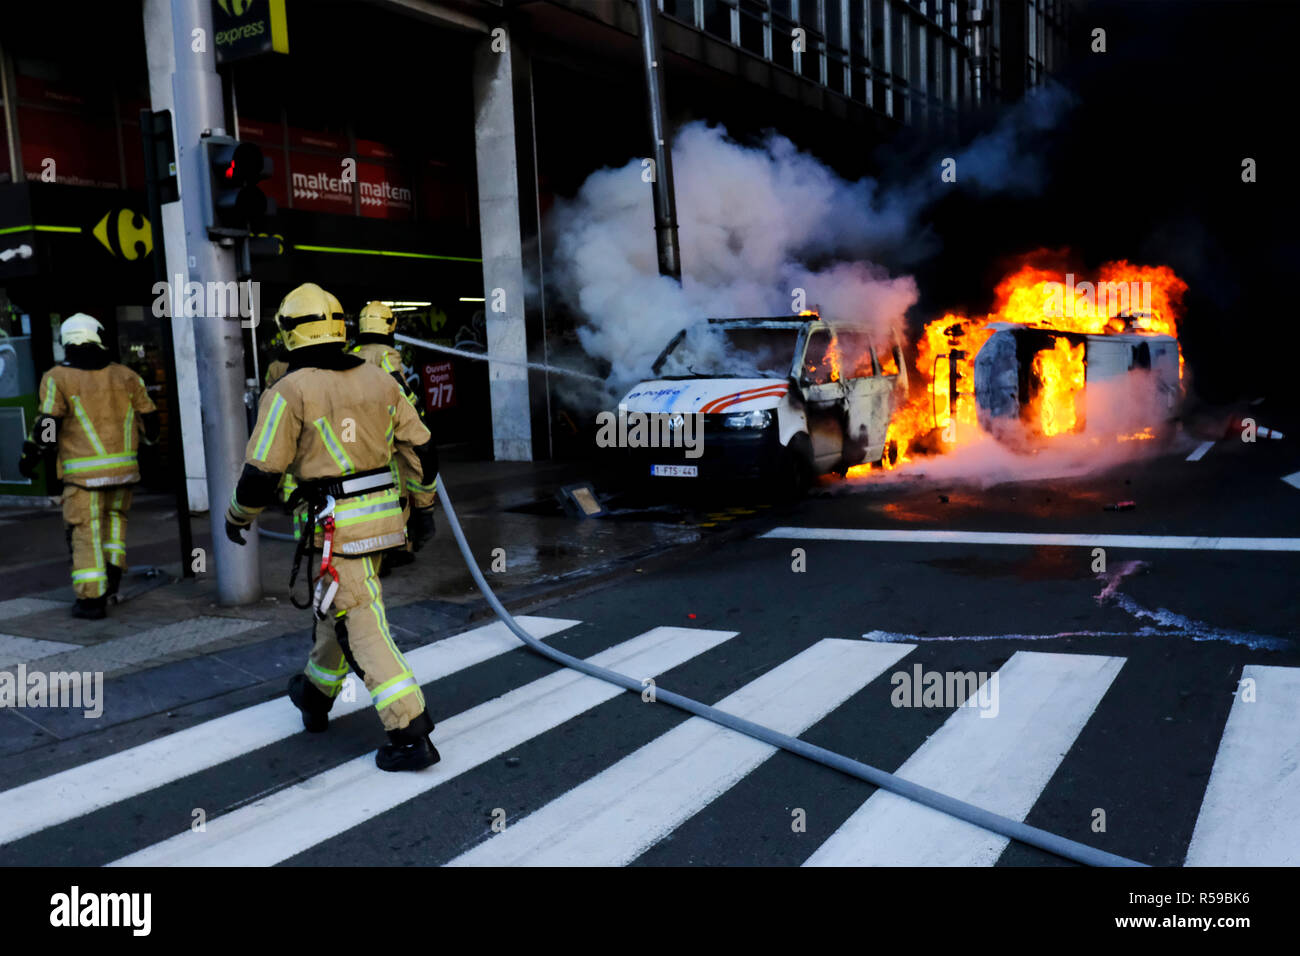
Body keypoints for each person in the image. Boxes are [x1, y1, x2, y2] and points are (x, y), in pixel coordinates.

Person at [224, 283, 440, 772]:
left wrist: (238, 517)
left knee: (362, 624)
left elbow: (260, 476)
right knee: (338, 612)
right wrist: (423, 511)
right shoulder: (380, 381)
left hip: (335, 533)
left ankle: (410, 731)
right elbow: (422, 450)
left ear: (289, 333)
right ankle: (315, 696)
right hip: (384, 524)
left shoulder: (288, 391)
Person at [17, 314, 159, 619]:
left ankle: (91, 600)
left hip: (83, 477)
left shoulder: (57, 377)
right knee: (115, 525)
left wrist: (31, 456)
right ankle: (112, 578)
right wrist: (146, 447)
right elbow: (150, 420)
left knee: (85, 532)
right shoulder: (126, 375)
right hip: (124, 472)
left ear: (66, 341)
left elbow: (49, 425)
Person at [350, 300, 437, 571]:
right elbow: (397, 388)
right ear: (389, 326)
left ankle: (383, 549)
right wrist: (416, 408)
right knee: (403, 484)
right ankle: (398, 544)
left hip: (359, 433)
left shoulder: (352, 353)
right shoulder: (387, 353)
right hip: (388, 431)